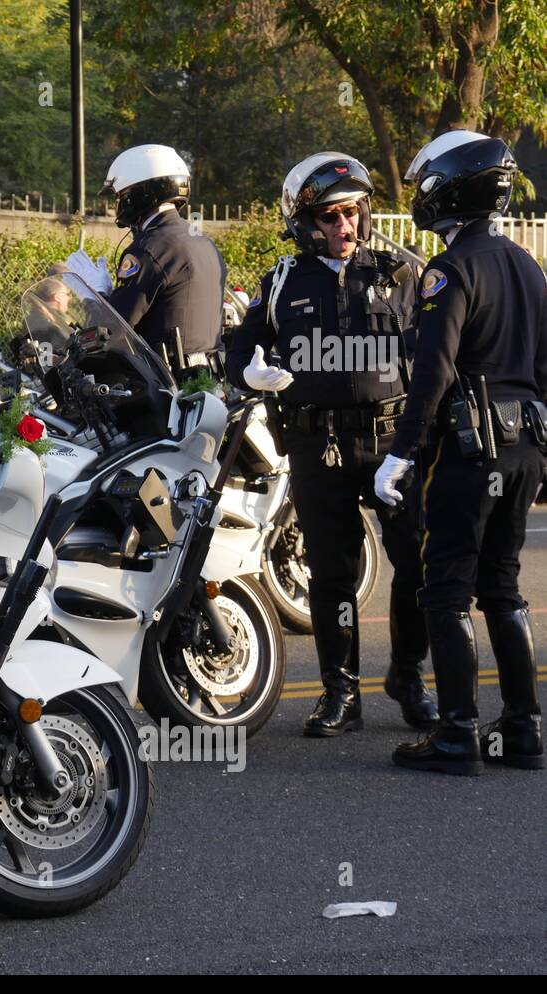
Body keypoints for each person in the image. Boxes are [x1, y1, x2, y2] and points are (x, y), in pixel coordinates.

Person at [226, 152, 438, 737]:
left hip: (392, 441)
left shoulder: (404, 271)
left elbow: (442, 348)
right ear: (302, 221)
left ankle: (407, 675)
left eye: (352, 212)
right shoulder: (283, 281)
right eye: (328, 216)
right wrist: (250, 374)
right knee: (332, 573)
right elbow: (239, 348)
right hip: (317, 443)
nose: (343, 226)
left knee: (418, 565)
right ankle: (340, 690)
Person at [375, 131, 547, 775]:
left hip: (471, 449)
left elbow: (434, 372)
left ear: (451, 188)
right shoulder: (527, 264)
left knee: (445, 591)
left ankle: (457, 735)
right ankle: (523, 731)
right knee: (502, 586)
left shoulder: (450, 269)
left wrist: (402, 451)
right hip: (525, 445)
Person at [98, 144, 227, 377]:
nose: (117, 204)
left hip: (166, 389)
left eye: (119, 195)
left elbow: (114, 327)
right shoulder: (202, 241)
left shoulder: (149, 248)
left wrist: (95, 295)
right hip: (209, 380)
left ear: (138, 192)